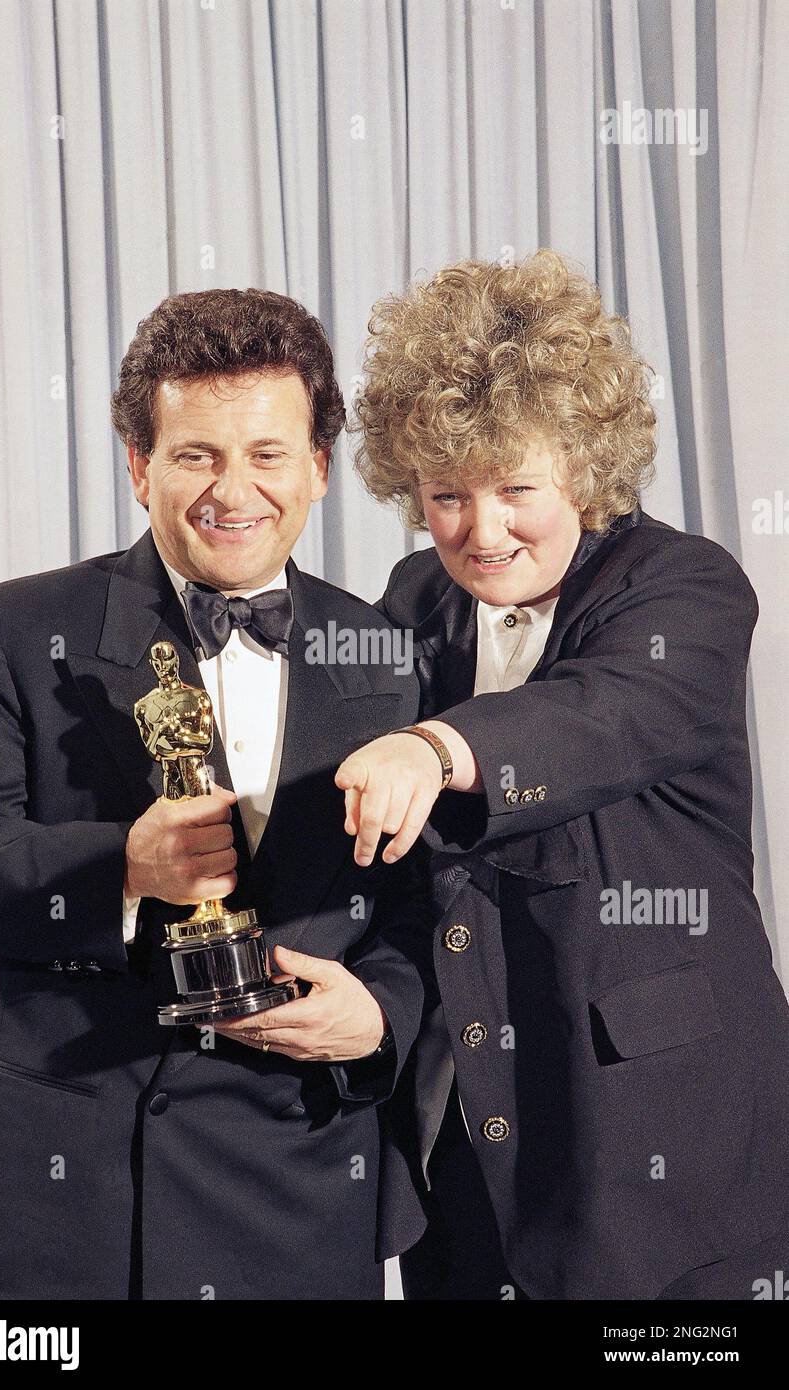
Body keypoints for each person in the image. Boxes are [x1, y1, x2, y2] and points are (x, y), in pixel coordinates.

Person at [0, 288, 432, 1300]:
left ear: (321, 467)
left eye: (268, 454)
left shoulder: (386, 653)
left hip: (300, 1190)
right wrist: (122, 865)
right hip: (79, 1212)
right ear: (139, 464)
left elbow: (426, 912)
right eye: (197, 454)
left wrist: (379, 1017)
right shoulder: (15, 629)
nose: (232, 489)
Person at [333, 250, 789, 1299]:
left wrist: (435, 747)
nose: (481, 532)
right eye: (446, 494)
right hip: (466, 1150)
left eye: (517, 489)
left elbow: (600, 718)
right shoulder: (414, 597)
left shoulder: (685, 587)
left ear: (586, 465)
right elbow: (319, 718)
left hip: (663, 1152)